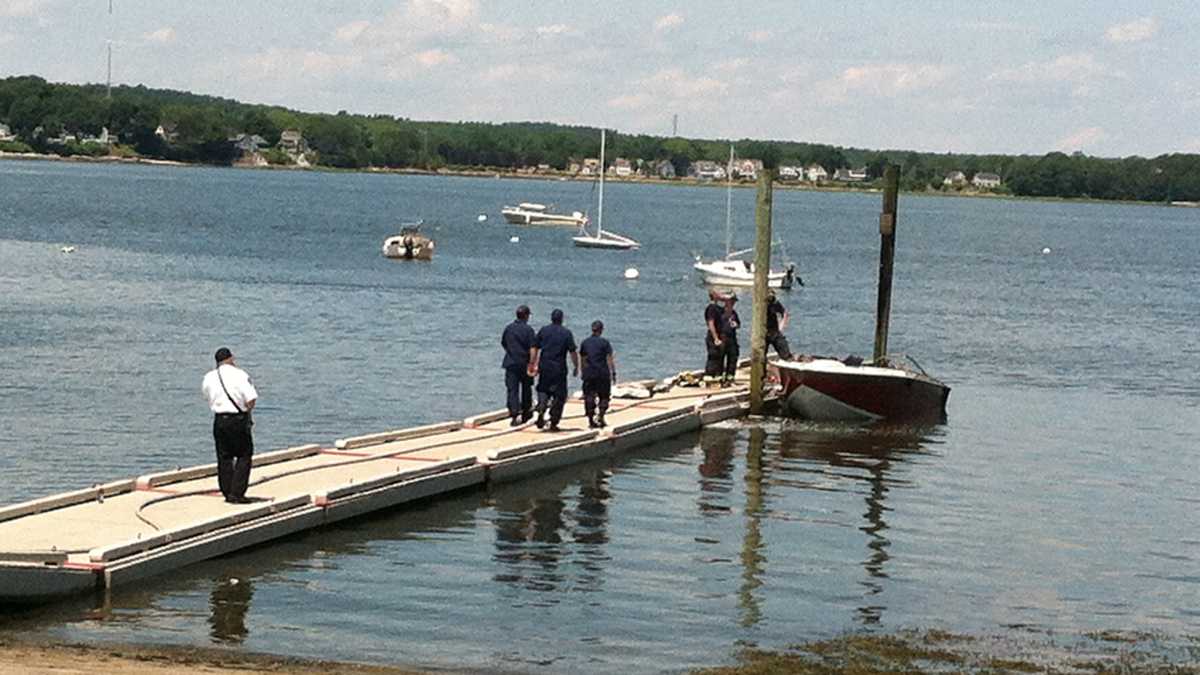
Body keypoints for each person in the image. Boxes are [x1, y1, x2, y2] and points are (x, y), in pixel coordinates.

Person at [201, 347, 258, 504]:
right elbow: (251, 399)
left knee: (224, 456)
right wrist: (247, 412)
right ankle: (237, 493)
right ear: (231, 358)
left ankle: (226, 491)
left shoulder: (209, 377)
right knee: (244, 454)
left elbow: (206, 396)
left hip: (219, 420)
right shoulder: (240, 375)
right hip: (238, 419)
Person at [528, 308, 578, 432]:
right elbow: (572, 351)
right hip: (559, 368)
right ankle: (553, 422)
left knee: (543, 389)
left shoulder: (544, 331)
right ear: (561, 319)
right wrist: (576, 366)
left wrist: (532, 363)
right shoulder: (566, 333)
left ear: (551, 318)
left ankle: (541, 406)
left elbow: (534, 347)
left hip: (544, 366)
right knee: (559, 396)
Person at [500, 304, 536, 426]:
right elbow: (533, 348)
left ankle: (514, 414)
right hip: (524, 362)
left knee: (512, 390)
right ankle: (526, 413)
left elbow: (503, 343)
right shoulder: (529, 330)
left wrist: (511, 352)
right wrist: (532, 363)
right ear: (525, 316)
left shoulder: (508, 328)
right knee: (526, 389)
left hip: (511, 362)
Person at [578, 320, 616, 428]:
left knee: (589, 396)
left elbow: (583, 359)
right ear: (601, 330)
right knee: (604, 396)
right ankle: (601, 416)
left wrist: (582, 372)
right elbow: (609, 359)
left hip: (589, 373)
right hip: (602, 373)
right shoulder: (605, 343)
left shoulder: (585, 342)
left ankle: (590, 419)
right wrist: (613, 372)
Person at [765, 290, 794, 360]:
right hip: (763, 332)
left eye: (772, 296)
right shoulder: (762, 304)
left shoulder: (775, 303)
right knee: (761, 355)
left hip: (774, 331)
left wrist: (781, 326)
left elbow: (784, 313)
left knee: (785, 352)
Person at [719, 293, 741, 385]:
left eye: (733, 302)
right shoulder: (721, 312)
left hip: (732, 338)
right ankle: (720, 378)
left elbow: (739, 324)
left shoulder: (734, 313)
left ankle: (730, 378)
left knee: (733, 357)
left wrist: (736, 325)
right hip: (723, 337)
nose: (732, 304)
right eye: (731, 301)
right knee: (720, 358)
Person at [704, 289, 726, 380]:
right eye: (719, 293)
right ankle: (709, 376)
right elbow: (711, 323)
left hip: (721, 336)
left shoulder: (719, 308)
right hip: (714, 337)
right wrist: (715, 338)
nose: (721, 294)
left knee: (720, 358)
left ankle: (718, 377)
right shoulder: (711, 308)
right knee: (713, 356)